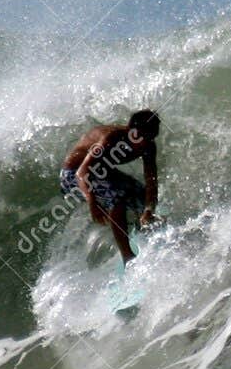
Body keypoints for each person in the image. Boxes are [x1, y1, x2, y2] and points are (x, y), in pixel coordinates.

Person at [59, 110, 161, 262]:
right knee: (116, 197)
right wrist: (92, 201)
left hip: (102, 173)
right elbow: (82, 172)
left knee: (141, 195)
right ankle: (128, 256)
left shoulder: (148, 146)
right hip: (72, 176)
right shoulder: (112, 138)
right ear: (131, 131)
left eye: (150, 138)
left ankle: (149, 246)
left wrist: (148, 210)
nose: (145, 144)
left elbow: (151, 182)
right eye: (142, 138)